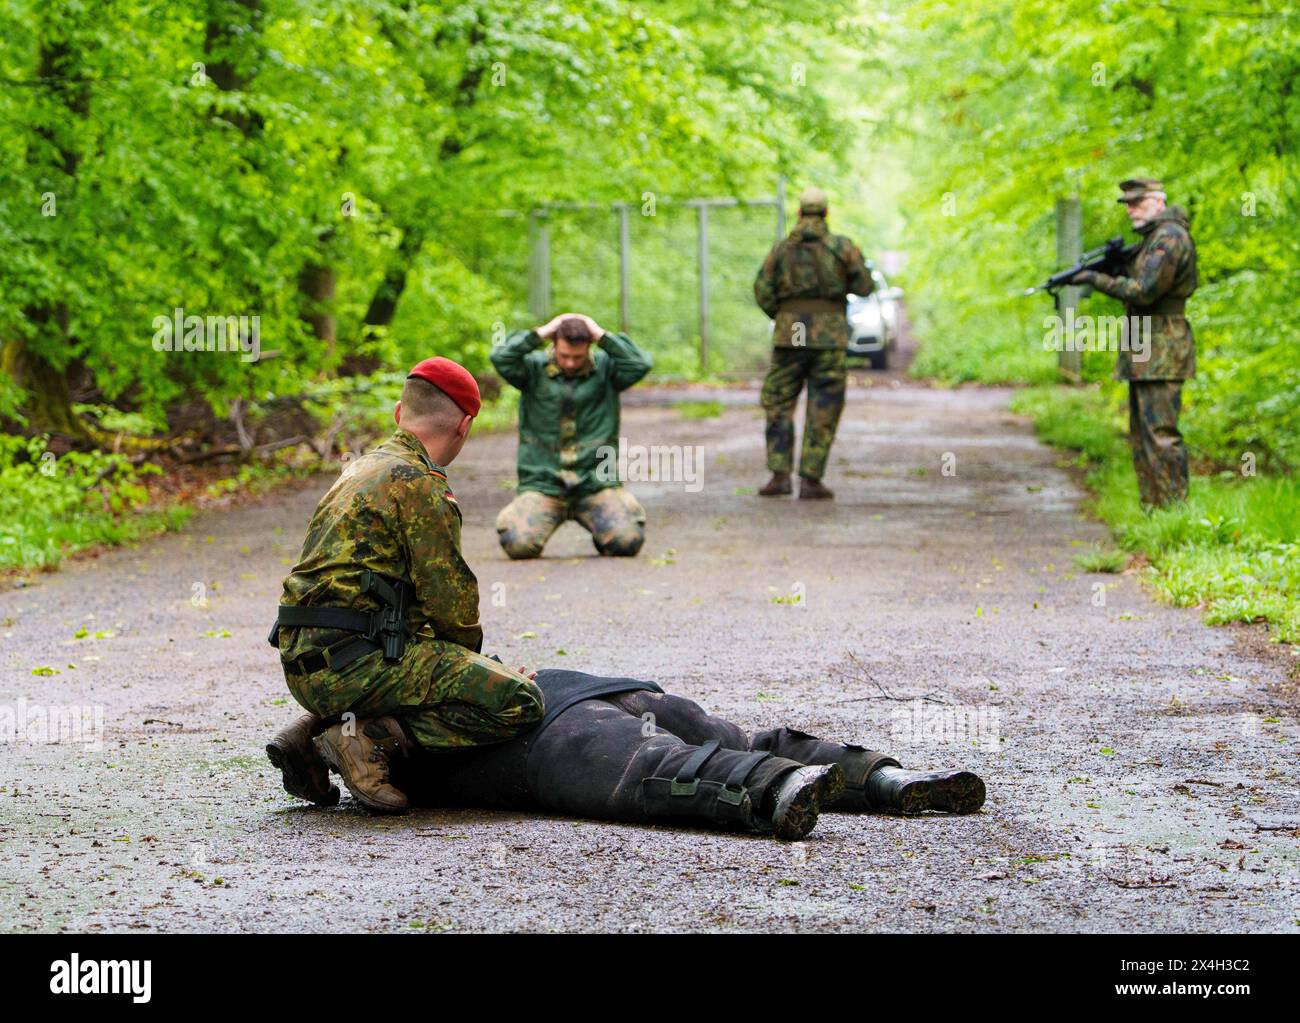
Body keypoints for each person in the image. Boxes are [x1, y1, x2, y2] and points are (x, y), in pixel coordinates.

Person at [265, 357, 544, 814]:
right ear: (465, 425)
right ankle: (360, 740)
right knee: (519, 701)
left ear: (400, 413)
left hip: (304, 662)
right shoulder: (422, 486)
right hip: (351, 668)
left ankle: (311, 732)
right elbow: (452, 610)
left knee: (422, 660)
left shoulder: (359, 469)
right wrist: (483, 673)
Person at [272, 667, 987, 841]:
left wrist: (319, 746)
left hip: (557, 739)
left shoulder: (382, 748)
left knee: (664, 774)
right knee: (736, 735)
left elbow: (313, 757)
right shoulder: (433, 673)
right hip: (615, 689)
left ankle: (776, 790)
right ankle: (890, 779)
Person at [1071, 177, 1198, 507]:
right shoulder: (1151, 239)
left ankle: (1173, 510)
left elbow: (1144, 292)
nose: (1130, 210)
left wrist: (1096, 278)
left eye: (1137, 203)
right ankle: (1152, 512)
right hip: (1144, 343)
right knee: (1141, 435)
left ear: (1158, 201)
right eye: (1127, 204)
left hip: (1163, 345)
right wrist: (1117, 265)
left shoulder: (1168, 238)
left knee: (1161, 435)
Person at [491, 312, 652, 558]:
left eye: (577, 357)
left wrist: (601, 335)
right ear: (554, 345)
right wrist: (542, 332)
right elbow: (500, 356)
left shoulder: (606, 370)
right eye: (564, 355)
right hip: (544, 485)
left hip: (594, 484)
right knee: (518, 543)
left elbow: (640, 363)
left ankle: (604, 531)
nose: (570, 363)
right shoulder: (532, 369)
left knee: (627, 541)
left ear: (589, 347)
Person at [754, 186, 874, 500]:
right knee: (824, 406)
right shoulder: (842, 247)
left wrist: (784, 315)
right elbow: (864, 286)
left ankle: (779, 475)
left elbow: (762, 289)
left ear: (799, 213)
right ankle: (811, 478)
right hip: (829, 337)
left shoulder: (781, 250)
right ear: (826, 214)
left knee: (779, 403)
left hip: (789, 336)